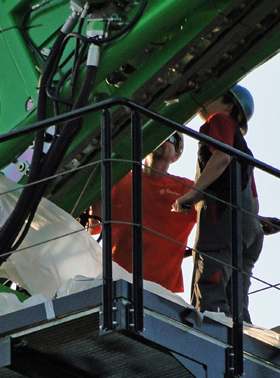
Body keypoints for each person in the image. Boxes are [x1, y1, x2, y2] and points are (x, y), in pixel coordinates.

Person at [173, 85, 264, 323]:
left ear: (229, 106)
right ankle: (243, 344)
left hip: (221, 219)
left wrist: (190, 195)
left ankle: (209, 338)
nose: (204, 100)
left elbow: (221, 157)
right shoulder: (245, 150)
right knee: (237, 300)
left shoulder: (219, 120)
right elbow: (253, 201)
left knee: (209, 288)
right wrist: (257, 222)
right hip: (248, 231)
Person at [91, 133, 197, 293]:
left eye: (172, 138)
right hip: (117, 280)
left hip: (161, 290)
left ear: (176, 156)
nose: (164, 138)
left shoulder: (187, 190)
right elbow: (94, 226)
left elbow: (216, 224)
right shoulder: (119, 179)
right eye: (161, 133)